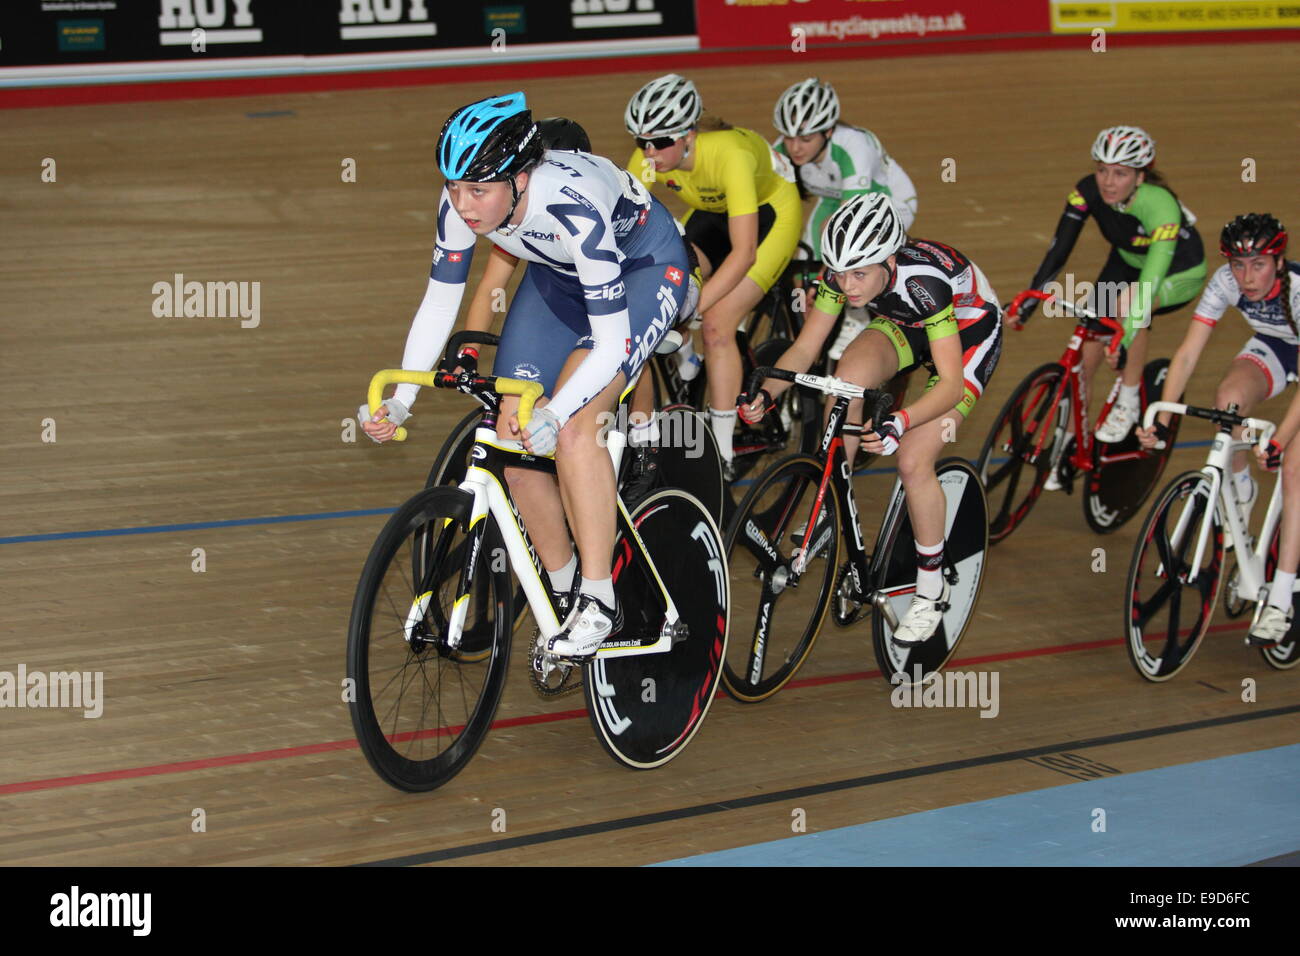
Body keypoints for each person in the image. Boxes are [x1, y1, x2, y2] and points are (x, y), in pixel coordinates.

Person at [359, 93, 690, 658]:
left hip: (645, 268)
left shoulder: (570, 205)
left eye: (478, 190)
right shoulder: (463, 199)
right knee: (511, 437)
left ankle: (599, 599)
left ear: (519, 178)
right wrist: (402, 401)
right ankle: (561, 598)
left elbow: (610, 342)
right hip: (560, 279)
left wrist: (560, 410)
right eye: (454, 187)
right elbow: (439, 304)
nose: (463, 205)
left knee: (571, 429)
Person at [737, 192, 1002, 645]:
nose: (848, 286)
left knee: (914, 460)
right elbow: (805, 350)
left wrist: (901, 420)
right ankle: (831, 505)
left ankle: (931, 590)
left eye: (859, 274)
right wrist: (766, 391)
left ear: (889, 260)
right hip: (905, 324)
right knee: (845, 382)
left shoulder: (926, 283)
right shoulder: (841, 276)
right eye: (840, 273)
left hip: (967, 332)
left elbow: (951, 386)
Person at [625, 73, 802, 479]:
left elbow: (744, 253)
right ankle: (688, 357)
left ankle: (722, 450)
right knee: (666, 284)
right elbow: (627, 228)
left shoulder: (730, 155)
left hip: (769, 212)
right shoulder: (648, 159)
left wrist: (692, 310)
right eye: (641, 142)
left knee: (718, 323)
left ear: (688, 134)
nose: (650, 152)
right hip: (713, 213)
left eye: (661, 142)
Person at [1135, 213, 1299, 644]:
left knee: (1294, 469)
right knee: (1228, 400)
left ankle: (1280, 600)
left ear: (1279, 262)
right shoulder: (1225, 282)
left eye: (1258, 264)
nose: (1246, 277)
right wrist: (1164, 417)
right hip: (1279, 348)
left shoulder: (1298, 291)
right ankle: (1240, 486)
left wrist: (1280, 439)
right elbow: (1187, 354)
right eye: (1238, 265)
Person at [1013, 126, 1205, 483]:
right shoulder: (1087, 191)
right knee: (1084, 357)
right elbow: (1059, 251)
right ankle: (1067, 445)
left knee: (1130, 303)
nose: (1108, 181)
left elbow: (1148, 285)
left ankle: (1129, 397)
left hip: (1178, 271)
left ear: (1141, 176)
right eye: (1102, 169)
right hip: (1127, 262)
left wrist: (1125, 338)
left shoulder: (1160, 205)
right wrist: (1030, 300)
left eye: (1120, 173)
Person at [771, 77, 918, 359]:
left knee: (848, 250)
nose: (794, 148)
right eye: (788, 138)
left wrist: (828, 274)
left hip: (888, 201)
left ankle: (857, 317)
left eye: (805, 139)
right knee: (804, 263)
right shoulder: (783, 147)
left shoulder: (854, 145)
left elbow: (851, 221)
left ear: (827, 132)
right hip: (834, 200)